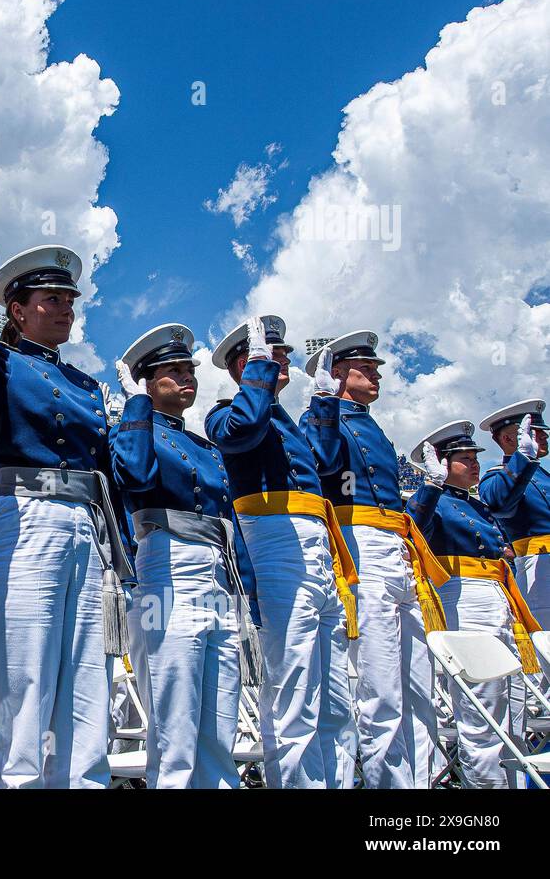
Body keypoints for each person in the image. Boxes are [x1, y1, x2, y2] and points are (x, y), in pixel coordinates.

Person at [0, 245, 125, 789]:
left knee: (88, 684)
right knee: (24, 684)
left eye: (70, 299)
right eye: (52, 299)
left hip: (85, 525)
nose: (67, 308)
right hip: (24, 518)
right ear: (18, 310)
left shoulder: (86, 385)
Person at [205, 315, 357, 789]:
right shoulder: (224, 414)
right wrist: (259, 370)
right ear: (245, 364)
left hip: (315, 544)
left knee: (335, 697)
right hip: (272, 544)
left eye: (282, 354)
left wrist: (325, 402)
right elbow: (243, 430)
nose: (283, 359)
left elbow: (327, 464)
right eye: (272, 353)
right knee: (294, 690)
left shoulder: (287, 421)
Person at [301, 331, 449, 789]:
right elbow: (323, 463)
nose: (377, 374)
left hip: (397, 548)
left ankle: (423, 781)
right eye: (366, 367)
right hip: (358, 546)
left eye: (375, 367)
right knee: (381, 686)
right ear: (338, 373)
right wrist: (324, 403)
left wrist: (430, 489)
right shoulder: (320, 418)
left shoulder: (375, 428)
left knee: (419, 685)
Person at [110, 323, 252, 788]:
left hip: (217, 575)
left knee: (219, 724)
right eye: (173, 371)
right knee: (175, 725)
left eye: (189, 369)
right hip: (167, 568)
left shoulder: (204, 448)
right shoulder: (132, 431)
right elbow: (135, 475)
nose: (187, 377)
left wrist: (245, 595)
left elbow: (228, 520)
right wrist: (135, 407)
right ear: (147, 382)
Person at [408, 422, 541, 788]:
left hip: (498, 600)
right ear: (442, 464)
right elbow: (413, 526)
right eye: (464, 459)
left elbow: (508, 496)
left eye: (474, 458)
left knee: (513, 714)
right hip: (464, 601)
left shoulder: (475, 504)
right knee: (483, 716)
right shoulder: (434, 501)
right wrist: (430, 485)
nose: (474, 464)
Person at [478, 399, 550, 691]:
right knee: (544, 645)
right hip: (538, 570)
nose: (544, 438)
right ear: (510, 439)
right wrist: (523, 459)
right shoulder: (497, 477)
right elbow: (499, 504)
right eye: (537, 433)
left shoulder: (543, 475)